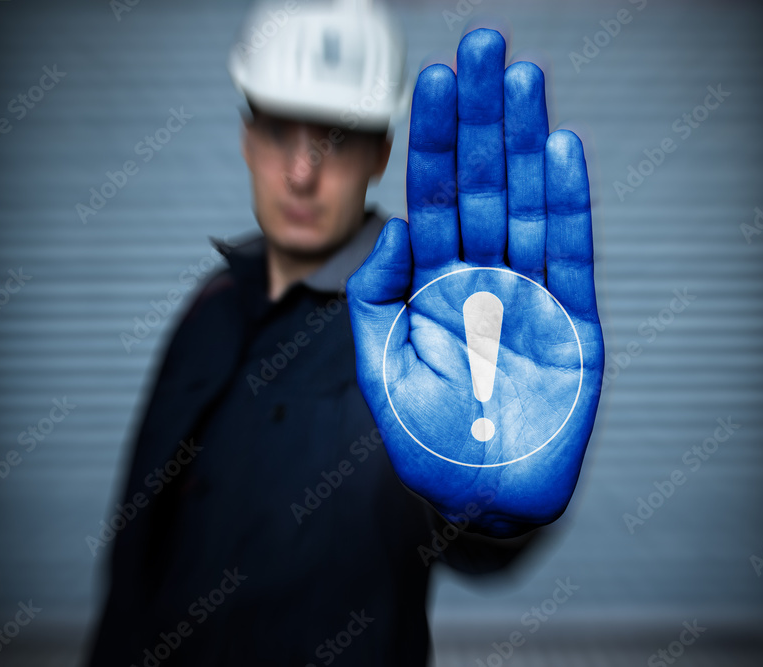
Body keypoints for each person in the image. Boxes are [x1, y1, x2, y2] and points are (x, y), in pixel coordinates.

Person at [87, 1, 603, 665]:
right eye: (280, 130)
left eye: (336, 137)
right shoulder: (211, 301)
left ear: (381, 152)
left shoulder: (426, 329)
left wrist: (490, 499)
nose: (302, 171)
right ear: (247, 137)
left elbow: (469, 543)